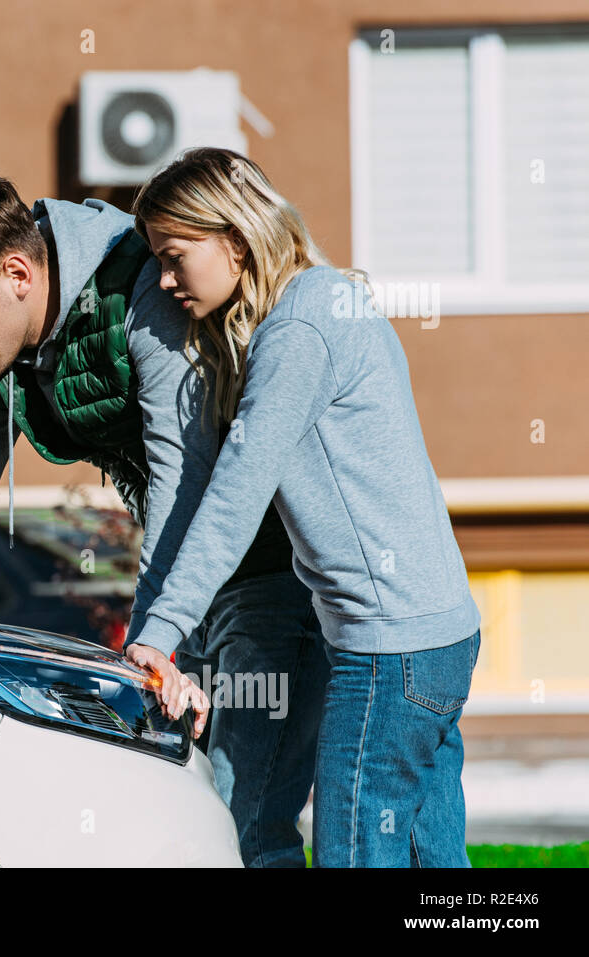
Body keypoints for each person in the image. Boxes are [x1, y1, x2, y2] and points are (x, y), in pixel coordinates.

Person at [0, 170, 331, 866]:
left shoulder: (136, 292)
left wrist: (159, 634)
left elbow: (180, 475)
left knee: (240, 822)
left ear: (16, 273)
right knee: (188, 816)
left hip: (267, 568)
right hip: (191, 583)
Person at [123, 146, 482, 867]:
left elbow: (233, 498)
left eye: (173, 254)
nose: (163, 280)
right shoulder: (325, 302)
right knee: (431, 865)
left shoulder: (298, 333)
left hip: (386, 651)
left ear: (232, 236)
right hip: (438, 636)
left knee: (355, 851)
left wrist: (157, 632)